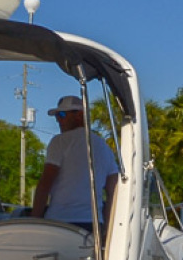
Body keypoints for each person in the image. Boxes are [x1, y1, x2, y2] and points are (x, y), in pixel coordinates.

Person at [31, 95, 119, 228]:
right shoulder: (104, 147)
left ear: (79, 115)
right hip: (94, 225)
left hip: (60, 221)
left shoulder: (60, 142)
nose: (59, 120)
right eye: (57, 116)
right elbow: (113, 191)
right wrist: (107, 228)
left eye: (62, 114)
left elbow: (45, 185)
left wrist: (34, 222)